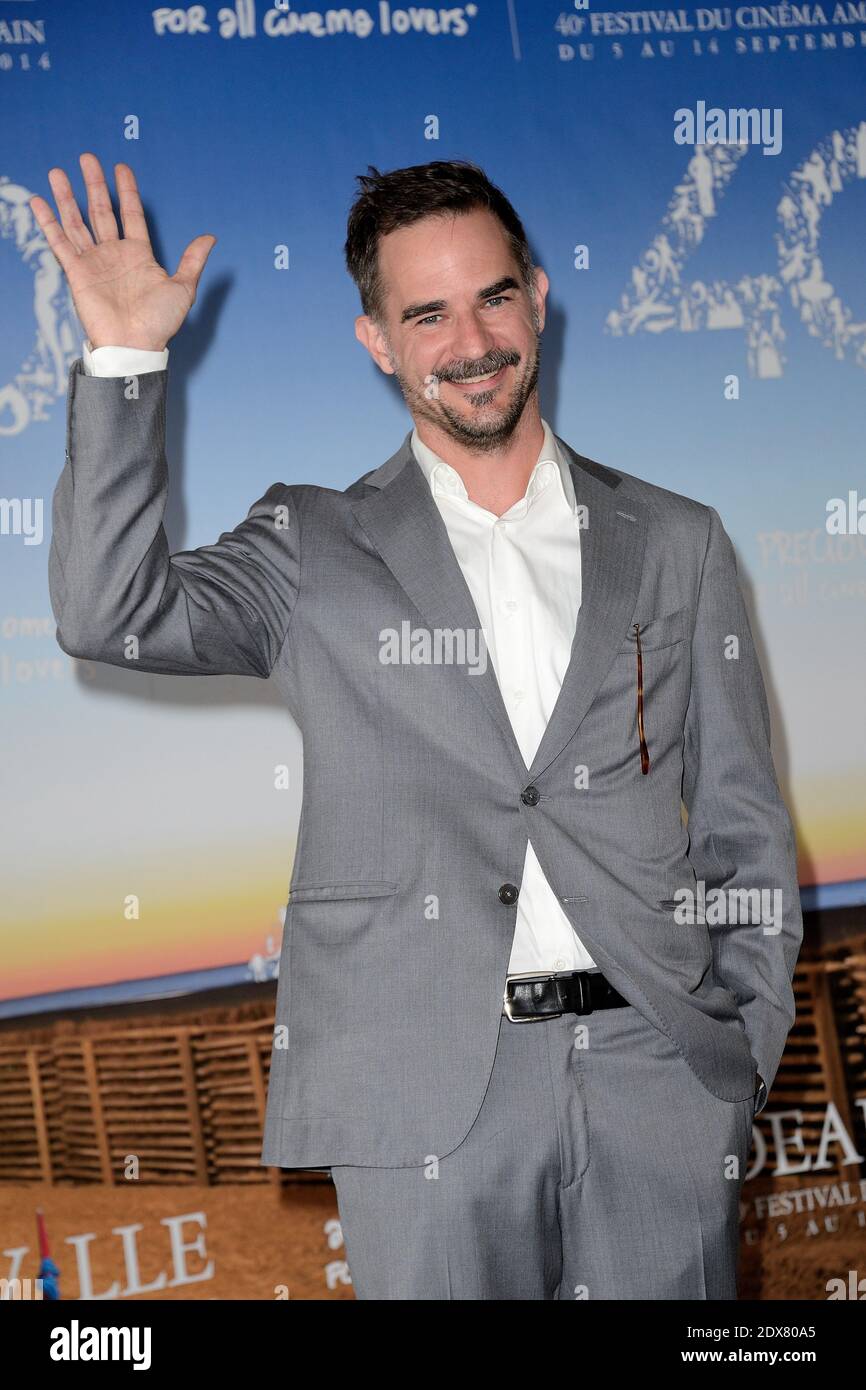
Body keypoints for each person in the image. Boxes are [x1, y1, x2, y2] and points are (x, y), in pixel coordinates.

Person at [31, 154, 802, 1301]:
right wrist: (126, 359)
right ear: (377, 342)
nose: (471, 340)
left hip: (660, 1081)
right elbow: (111, 614)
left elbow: (742, 823)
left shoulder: (676, 540)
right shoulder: (310, 543)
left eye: (493, 296)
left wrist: (734, 1052)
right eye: (425, 314)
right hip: (422, 1095)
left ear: (537, 297)